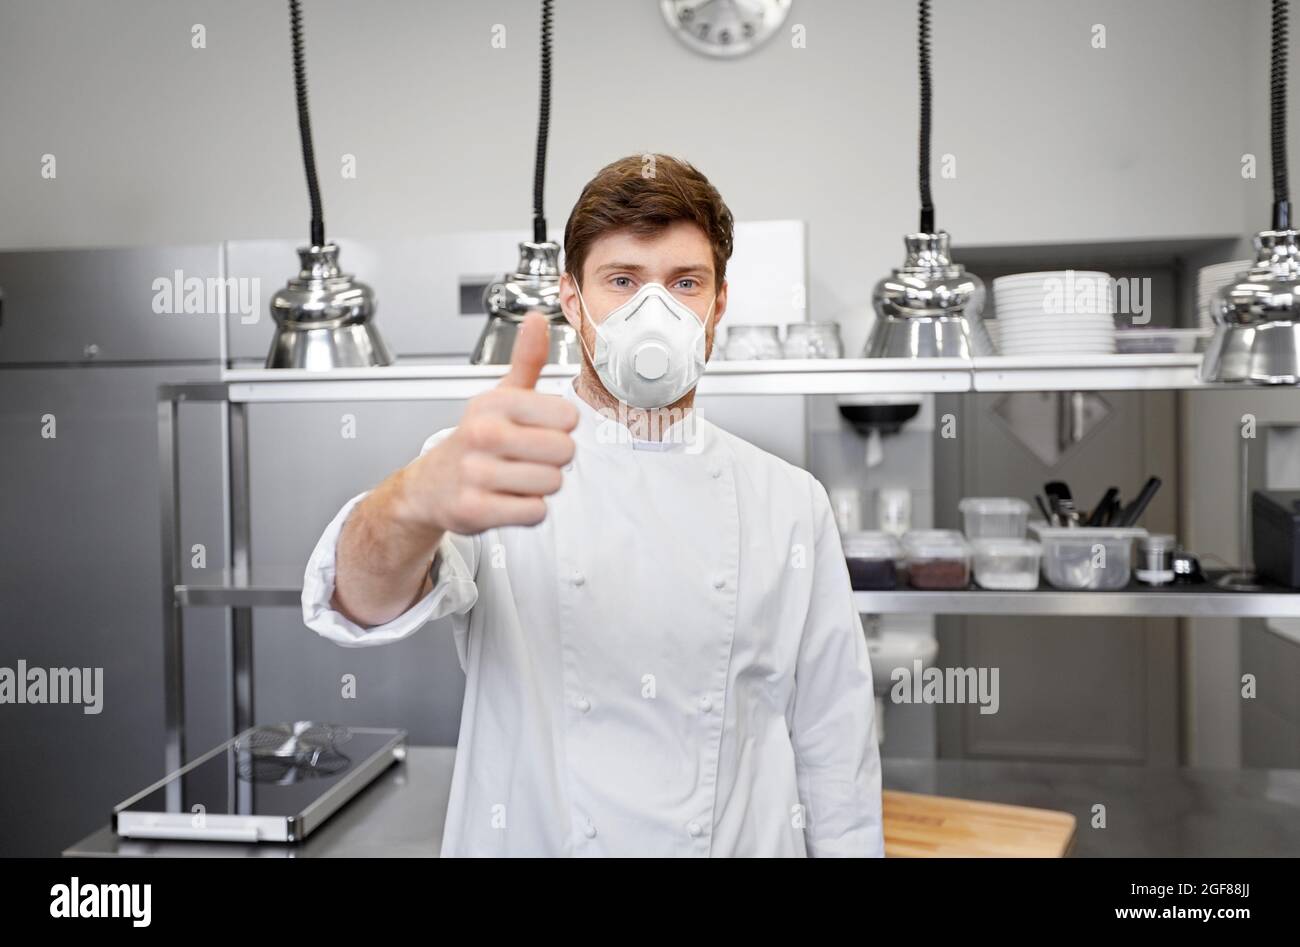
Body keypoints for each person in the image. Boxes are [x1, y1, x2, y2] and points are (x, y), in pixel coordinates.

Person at [302, 154, 883, 857]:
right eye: (623, 281)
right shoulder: (494, 470)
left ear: (718, 305)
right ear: (573, 300)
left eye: (685, 283)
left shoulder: (789, 501)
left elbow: (834, 739)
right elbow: (359, 602)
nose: (655, 310)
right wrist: (410, 502)